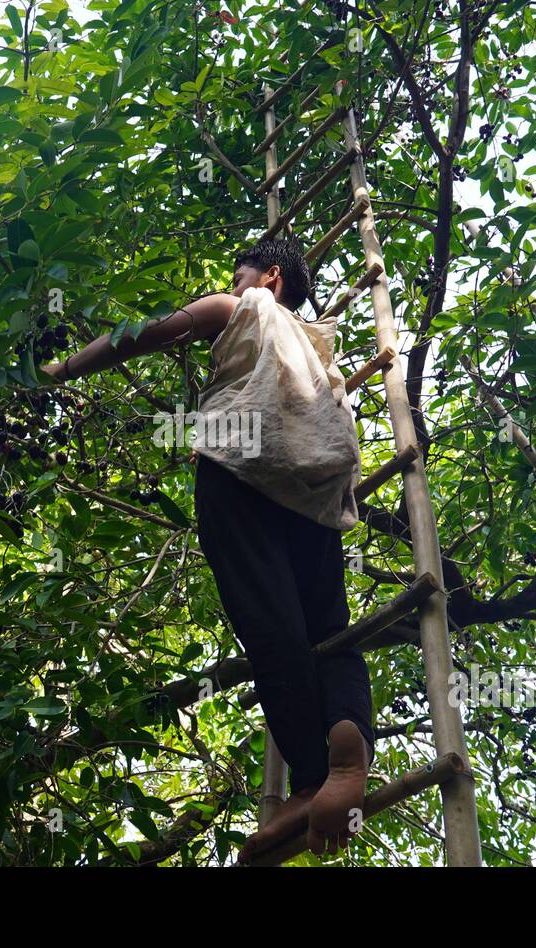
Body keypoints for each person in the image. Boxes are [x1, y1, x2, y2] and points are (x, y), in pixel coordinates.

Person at [41, 237, 373, 860]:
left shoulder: (239, 308)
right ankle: (347, 741)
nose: (233, 279)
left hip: (241, 468)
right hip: (320, 489)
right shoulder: (319, 348)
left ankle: (308, 774)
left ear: (269, 278)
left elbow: (142, 335)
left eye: (241, 270)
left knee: (270, 626)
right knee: (330, 626)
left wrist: (62, 370)